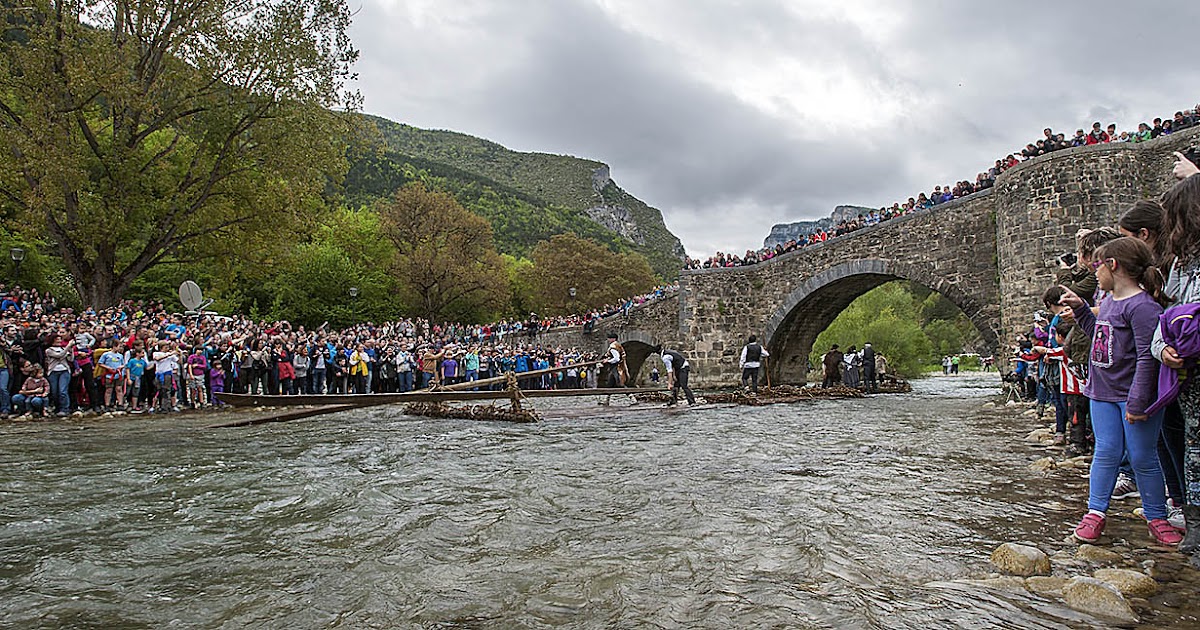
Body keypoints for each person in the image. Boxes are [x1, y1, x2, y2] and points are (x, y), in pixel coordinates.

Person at [1059, 237, 1181, 546]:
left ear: (1113, 266)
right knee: (1106, 452)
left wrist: (1139, 401)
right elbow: (1100, 335)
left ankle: (1156, 516)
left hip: (1133, 395)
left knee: (1142, 456)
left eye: (1097, 265)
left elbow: (1146, 356)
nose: (1093, 271)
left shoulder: (1143, 308)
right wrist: (1083, 311)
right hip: (1102, 393)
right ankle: (1095, 513)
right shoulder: (1111, 301)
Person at [1152, 173, 1200, 556]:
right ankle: (1191, 516)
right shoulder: (1180, 266)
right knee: (1189, 443)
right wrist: (1162, 346)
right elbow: (1166, 315)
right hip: (1183, 373)